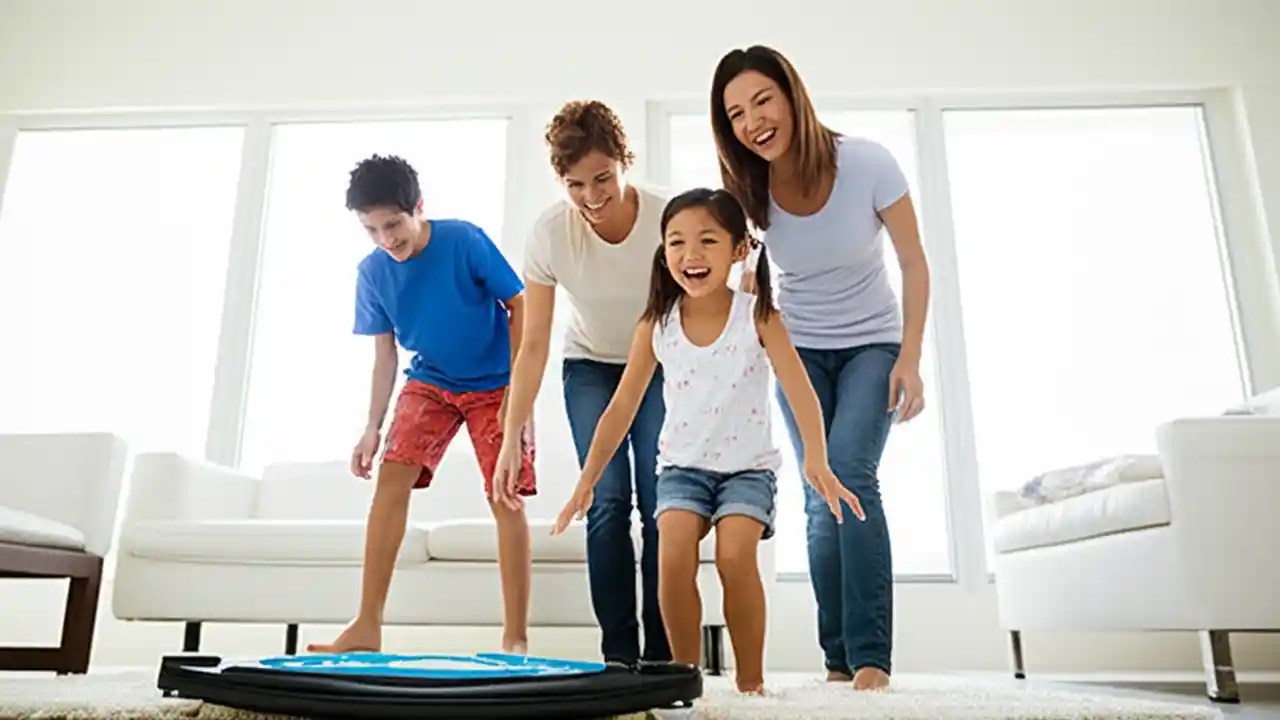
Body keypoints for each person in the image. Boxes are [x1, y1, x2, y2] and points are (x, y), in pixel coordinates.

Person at [552, 188, 865, 695]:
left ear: (739, 249)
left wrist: (818, 461)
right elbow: (620, 409)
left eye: (706, 241)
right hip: (682, 470)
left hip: (748, 470)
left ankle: (751, 684)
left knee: (734, 556)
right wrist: (587, 480)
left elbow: (798, 387)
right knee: (671, 555)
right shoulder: (657, 324)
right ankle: (682, 679)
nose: (690, 255)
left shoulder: (759, 315)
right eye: (676, 243)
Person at [710, 45, 931, 691]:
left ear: (791, 95)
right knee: (818, 491)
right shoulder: (747, 185)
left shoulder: (865, 162)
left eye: (762, 101)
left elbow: (914, 260)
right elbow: (746, 274)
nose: (753, 121)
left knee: (852, 473)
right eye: (736, 114)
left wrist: (912, 358)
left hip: (873, 345)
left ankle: (871, 659)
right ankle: (836, 660)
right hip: (798, 352)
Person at [306, 154, 536, 656]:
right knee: (391, 480)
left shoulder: (464, 241)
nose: (387, 239)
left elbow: (520, 304)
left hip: (496, 382)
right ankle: (366, 626)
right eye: (372, 230)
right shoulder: (372, 273)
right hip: (430, 380)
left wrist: (518, 401)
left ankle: (515, 637)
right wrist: (371, 426)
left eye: (394, 224)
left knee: (505, 494)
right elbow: (385, 352)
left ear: (418, 209)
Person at [488, 101, 674, 668]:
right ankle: (618, 657)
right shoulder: (550, 233)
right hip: (591, 366)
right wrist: (511, 431)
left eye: (603, 179)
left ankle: (663, 655)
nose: (592, 196)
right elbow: (535, 342)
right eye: (576, 184)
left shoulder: (667, 216)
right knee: (607, 501)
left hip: (661, 365)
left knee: (660, 502)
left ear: (624, 163)